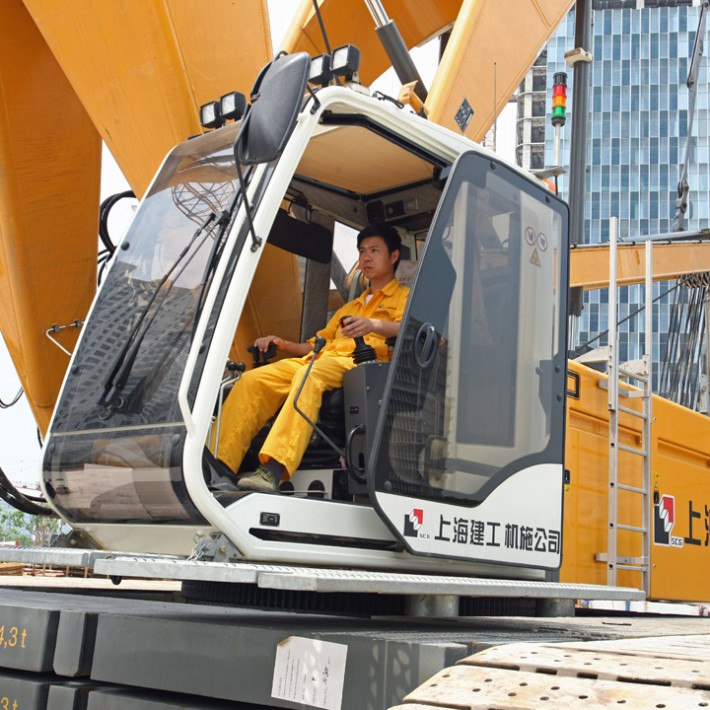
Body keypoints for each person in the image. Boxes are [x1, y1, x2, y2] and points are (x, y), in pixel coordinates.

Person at [216, 224, 409, 493]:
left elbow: (410, 329)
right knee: (253, 379)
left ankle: (273, 469)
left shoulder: (404, 297)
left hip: (360, 362)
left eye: (375, 250)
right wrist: (281, 343)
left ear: (394, 256)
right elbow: (315, 345)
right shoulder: (351, 306)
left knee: (311, 376)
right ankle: (218, 467)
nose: (366, 257)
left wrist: (374, 325)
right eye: (362, 251)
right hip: (322, 359)